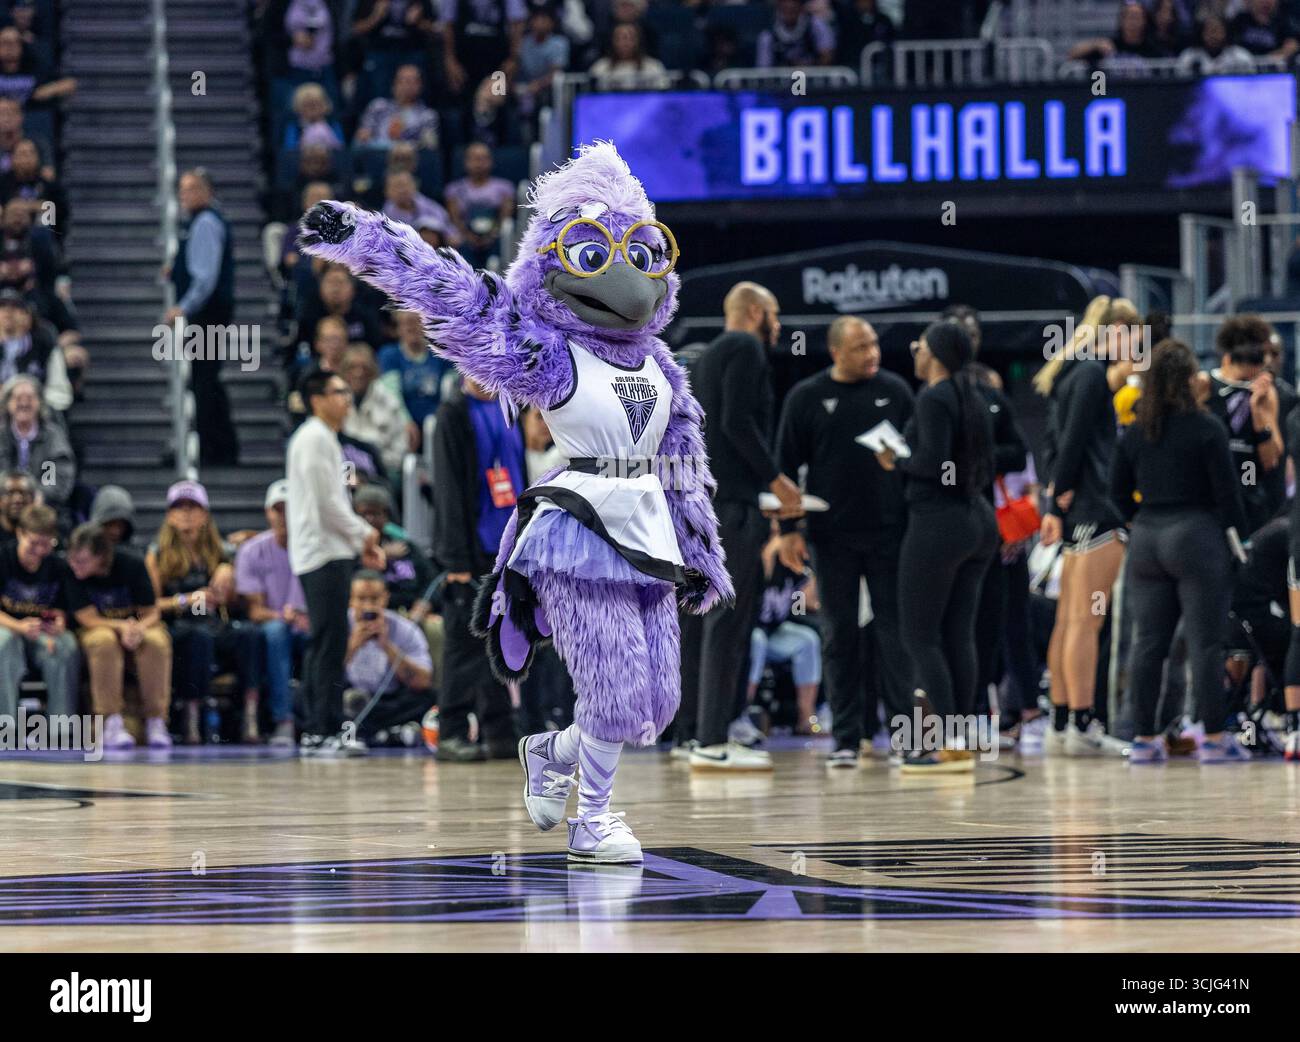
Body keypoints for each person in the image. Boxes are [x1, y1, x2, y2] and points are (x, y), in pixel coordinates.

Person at [776, 315, 914, 765]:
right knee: (840, 635)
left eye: (873, 344)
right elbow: (785, 471)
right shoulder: (807, 397)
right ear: (836, 352)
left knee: (895, 634)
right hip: (830, 536)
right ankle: (847, 739)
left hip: (890, 532)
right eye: (860, 347)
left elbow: (917, 458)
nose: (871, 353)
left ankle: (901, 735)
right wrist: (789, 532)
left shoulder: (896, 391)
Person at [1111, 339, 1250, 763]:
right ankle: (1213, 737)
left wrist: (1137, 521)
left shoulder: (1137, 430)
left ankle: (1145, 739)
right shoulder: (1207, 427)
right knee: (1205, 643)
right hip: (1196, 536)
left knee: (1148, 644)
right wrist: (1241, 542)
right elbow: (1229, 498)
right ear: (1189, 380)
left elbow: (1115, 493)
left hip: (1147, 538)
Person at [681, 281, 801, 770]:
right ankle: (713, 740)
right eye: (773, 312)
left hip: (707, 502)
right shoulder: (747, 347)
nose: (778, 323)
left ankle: (694, 733)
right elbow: (737, 423)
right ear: (754, 312)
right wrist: (777, 479)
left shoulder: (707, 356)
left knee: (702, 622)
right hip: (733, 507)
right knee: (729, 621)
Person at [876, 320, 997, 773]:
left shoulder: (933, 397)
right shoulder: (976, 394)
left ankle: (940, 738)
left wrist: (897, 456)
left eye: (920, 345)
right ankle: (961, 732)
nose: (915, 351)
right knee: (957, 633)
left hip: (938, 523)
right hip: (979, 520)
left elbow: (934, 461)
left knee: (919, 635)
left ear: (938, 354)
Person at [1035, 296, 1137, 757]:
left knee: (1067, 621)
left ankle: (1060, 722)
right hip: (1097, 510)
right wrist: (1057, 502)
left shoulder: (1069, 371)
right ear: (1115, 331)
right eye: (1134, 336)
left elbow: (1056, 442)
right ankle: (1083, 721)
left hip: (1078, 511)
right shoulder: (1092, 374)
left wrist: (1054, 501)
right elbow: (1073, 441)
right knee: (1086, 623)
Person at [287, 369, 385, 757]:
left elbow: (332, 504)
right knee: (328, 643)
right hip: (323, 552)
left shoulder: (322, 439)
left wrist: (359, 541)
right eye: (338, 391)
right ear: (317, 399)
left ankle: (319, 729)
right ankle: (321, 729)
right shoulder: (313, 439)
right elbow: (329, 505)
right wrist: (365, 534)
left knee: (326, 641)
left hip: (330, 549)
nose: (346, 398)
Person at [430, 375, 523, 762]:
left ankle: (499, 728)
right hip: (472, 549)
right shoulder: (452, 414)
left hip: (510, 543)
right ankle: (451, 730)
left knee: (504, 639)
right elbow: (448, 487)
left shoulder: (512, 407)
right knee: (462, 642)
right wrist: (455, 559)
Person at [146, 480, 253, 744]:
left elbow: (256, 541)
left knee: (250, 635)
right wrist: (186, 599)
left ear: (204, 514)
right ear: (169, 515)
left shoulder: (221, 553)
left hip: (213, 621)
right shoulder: (156, 554)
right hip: (178, 624)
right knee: (198, 640)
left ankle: (251, 714)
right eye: (179, 507)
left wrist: (230, 571)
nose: (186, 513)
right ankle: (192, 717)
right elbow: (150, 606)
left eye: (192, 507)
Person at [66, 522, 173, 750]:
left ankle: (156, 720)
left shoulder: (132, 564)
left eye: (83, 561)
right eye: (73, 559)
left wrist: (139, 628)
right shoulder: (71, 572)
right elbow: (87, 618)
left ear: (102, 557)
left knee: (156, 641)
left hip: (136, 624)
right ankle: (109, 721)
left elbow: (152, 611)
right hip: (97, 627)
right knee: (104, 640)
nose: (75, 566)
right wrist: (122, 626)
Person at [163, 168, 239, 465]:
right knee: (206, 379)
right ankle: (220, 447)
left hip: (208, 314)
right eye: (182, 190)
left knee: (205, 381)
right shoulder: (202, 221)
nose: (185, 196)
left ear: (207, 192)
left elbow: (205, 276)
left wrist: (184, 306)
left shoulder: (205, 222)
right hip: (211, 312)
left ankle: (216, 450)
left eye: (191, 189)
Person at [234, 479, 309, 747]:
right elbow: (254, 610)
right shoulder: (252, 550)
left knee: (327, 634)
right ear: (268, 512)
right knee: (277, 634)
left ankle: (325, 720)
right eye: (278, 509)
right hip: (272, 624)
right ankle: (283, 720)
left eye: (289, 508)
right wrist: (282, 617)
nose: (284, 515)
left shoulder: (312, 548)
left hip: (307, 624)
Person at [1199, 314, 1285, 537]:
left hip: (1249, 480)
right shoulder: (1204, 384)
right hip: (1210, 490)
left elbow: (1271, 459)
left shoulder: (1266, 393)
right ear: (1228, 358)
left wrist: (1258, 411)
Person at [0, 502, 78, 717]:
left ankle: (60, 725)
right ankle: (5, 723)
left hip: (41, 633)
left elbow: (62, 608)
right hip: (8, 627)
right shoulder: (3, 558)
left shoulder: (58, 566)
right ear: (20, 533)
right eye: (33, 543)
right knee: (3, 643)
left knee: (66, 645)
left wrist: (59, 621)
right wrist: (19, 626)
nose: (39, 551)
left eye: (46, 544)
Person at [343, 570, 434, 740]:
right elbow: (321, 678)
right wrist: (352, 646)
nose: (368, 606)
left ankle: (364, 732)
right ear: (350, 599)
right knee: (305, 697)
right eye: (361, 599)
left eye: (375, 599)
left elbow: (423, 682)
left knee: (428, 699)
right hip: (348, 698)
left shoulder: (406, 629)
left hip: (388, 701)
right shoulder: (339, 625)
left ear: (385, 598)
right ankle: (387, 734)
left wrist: (387, 646)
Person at [750, 528, 823, 738]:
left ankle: (806, 717)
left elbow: (810, 599)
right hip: (750, 630)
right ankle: (743, 713)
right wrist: (769, 555)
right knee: (757, 641)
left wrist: (812, 563)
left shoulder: (790, 561)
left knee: (808, 639)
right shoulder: (753, 554)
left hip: (775, 629)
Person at [0, 374, 74, 514]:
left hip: (42, 507)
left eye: (30, 398)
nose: (24, 403)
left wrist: (39, 496)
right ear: (8, 403)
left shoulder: (52, 437)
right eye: (18, 398)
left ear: (39, 402)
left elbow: (53, 477)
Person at [340, 342, 415, 475]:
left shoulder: (388, 399)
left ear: (372, 371)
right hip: (347, 469)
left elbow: (400, 447)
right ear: (345, 372)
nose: (359, 373)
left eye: (364, 367)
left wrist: (372, 463)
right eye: (352, 367)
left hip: (383, 469)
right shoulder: (338, 401)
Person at [444, 142, 515, 269]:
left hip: (494, 238)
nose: (479, 163)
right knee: (456, 244)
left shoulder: (504, 188)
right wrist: (469, 237)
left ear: (491, 161)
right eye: (475, 159)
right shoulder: (454, 189)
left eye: (483, 159)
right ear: (466, 162)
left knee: (503, 244)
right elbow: (455, 219)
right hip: (466, 238)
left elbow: (505, 218)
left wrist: (491, 236)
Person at [378, 309, 449, 436]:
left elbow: (448, 393)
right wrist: (406, 422)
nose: (411, 327)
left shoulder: (441, 354)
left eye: (416, 321)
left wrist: (442, 421)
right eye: (405, 323)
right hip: (401, 423)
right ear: (398, 328)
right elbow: (392, 395)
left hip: (436, 421)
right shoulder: (390, 355)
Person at [354, 64, 439, 149]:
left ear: (420, 86)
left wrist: (400, 145)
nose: (408, 86)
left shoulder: (428, 115)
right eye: (403, 81)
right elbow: (361, 139)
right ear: (394, 84)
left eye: (413, 81)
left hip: (410, 159)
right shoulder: (378, 106)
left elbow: (429, 147)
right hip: (376, 156)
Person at [756, 0, 836, 67]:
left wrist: (811, 68)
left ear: (801, 8)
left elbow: (827, 54)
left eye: (793, 9)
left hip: (813, 79)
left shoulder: (815, 25)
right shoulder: (768, 33)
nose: (789, 13)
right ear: (779, 8)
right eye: (785, 9)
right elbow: (764, 68)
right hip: (781, 81)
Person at [1178, 13, 1257, 74]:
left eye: (1217, 31)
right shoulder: (1189, 57)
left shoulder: (1240, 57)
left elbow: (1249, 82)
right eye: (1209, 31)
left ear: (1226, 32)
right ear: (1201, 33)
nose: (1213, 36)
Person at [88, 484, 137, 549]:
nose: (115, 532)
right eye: (110, 524)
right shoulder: (80, 555)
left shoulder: (135, 556)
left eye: (120, 526)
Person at [0, 466, 33, 548]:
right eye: (10, 493)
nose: (17, 499)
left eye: (23, 493)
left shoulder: (40, 536)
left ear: (32, 499)